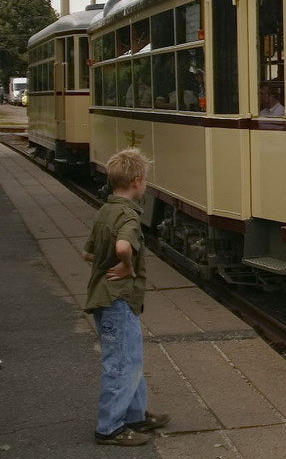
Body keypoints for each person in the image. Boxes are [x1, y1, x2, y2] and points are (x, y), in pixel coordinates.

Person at [83, 148, 169, 446]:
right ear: (136, 182)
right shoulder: (129, 216)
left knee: (130, 359)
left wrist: (107, 262)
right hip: (117, 300)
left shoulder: (105, 210)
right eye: (145, 180)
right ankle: (110, 428)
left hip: (105, 297)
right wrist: (125, 265)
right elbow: (123, 247)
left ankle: (135, 416)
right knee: (121, 363)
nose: (145, 184)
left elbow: (88, 253)